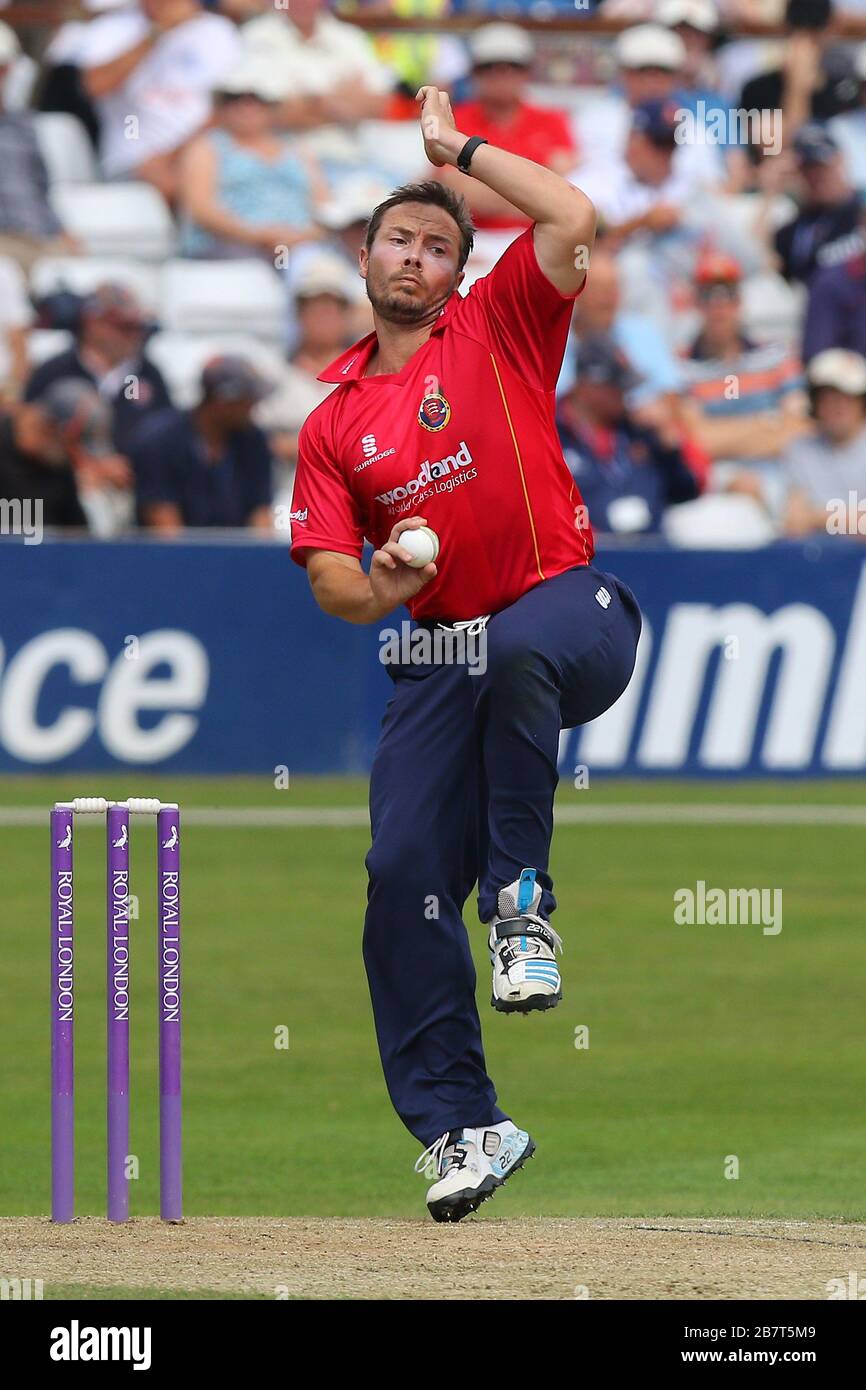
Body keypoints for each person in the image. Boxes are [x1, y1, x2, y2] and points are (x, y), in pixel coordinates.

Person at [289, 88, 642, 1223]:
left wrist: (461, 153)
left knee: (510, 651)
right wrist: (382, 583)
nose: (416, 255)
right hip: (440, 655)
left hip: (569, 610)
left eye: (439, 245)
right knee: (398, 881)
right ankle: (463, 1126)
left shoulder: (498, 325)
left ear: (456, 272)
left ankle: (523, 906)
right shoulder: (332, 423)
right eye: (400, 236)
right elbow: (332, 585)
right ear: (365, 253)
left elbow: (573, 212)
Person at [680, 251, 806, 511]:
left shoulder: (778, 355)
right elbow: (697, 441)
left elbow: (798, 430)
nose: (718, 305)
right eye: (708, 295)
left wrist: (722, 434)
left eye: (728, 294)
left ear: (740, 301)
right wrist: (768, 423)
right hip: (719, 478)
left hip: (783, 472)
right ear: (697, 304)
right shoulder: (681, 366)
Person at [80, 0, 242, 200]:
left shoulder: (217, 30)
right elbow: (94, 87)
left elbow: (232, 106)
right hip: (133, 163)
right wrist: (157, 32)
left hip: (204, 157)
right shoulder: (111, 28)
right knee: (176, 187)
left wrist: (176, 157)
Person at [179, 58, 328, 260]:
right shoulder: (206, 147)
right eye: (235, 98)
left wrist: (301, 237)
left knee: (322, 269)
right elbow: (201, 209)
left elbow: (325, 207)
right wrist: (257, 236)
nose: (246, 107)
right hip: (229, 247)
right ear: (222, 105)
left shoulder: (297, 148)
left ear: (271, 104)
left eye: (257, 98)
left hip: (299, 247)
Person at [436, 24, 576, 232]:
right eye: (489, 67)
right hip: (473, 238)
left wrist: (485, 194)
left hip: (538, 239)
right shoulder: (454, 119)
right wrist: (533, 196)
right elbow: (455, 191)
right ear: (474, 73)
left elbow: (564, 194)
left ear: (526, 72)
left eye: (512, 66)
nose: (501, 75)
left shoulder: (552, 120)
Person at [556, 334, 700, 534]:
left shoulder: (639, 430)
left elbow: (686, 491)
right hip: (582, 554)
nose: (625, 396)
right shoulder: (551, 432)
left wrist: (670, 449)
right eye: (618, 387)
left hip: (652, 553)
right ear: (590, 387)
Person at [131, 355, 274, 531]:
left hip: (238, 554)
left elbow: (261, 519)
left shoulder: (254, 441)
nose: (253, 406)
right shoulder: (159, 440)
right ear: (223, 401)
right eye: (248, 399)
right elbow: (165, 530)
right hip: (172, 556)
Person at [255, 254, 355, 506]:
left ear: (345, 314)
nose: (322, 316)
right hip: (288, 494)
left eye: (330, 307)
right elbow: (254, 440)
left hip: (356, 494)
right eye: (313, 307)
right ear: (299, 314)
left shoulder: (368, 374)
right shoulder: (271, 374)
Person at [24, 283, 170, 453]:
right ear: (92, 323)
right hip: (66, 473)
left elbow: (165, 435)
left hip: (134, 474)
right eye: (123, 327)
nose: (134, 335)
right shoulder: (54, 372)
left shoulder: (148, 375)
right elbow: (29, 434)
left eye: (137, 327)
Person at [0, 21, 78, 272]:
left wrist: (62, 231)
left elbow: (41, 189)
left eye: (2, 68)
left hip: (40, 242)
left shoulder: (24, 126)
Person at [0, 378, 129, 529]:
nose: (79, 459)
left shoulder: (59, 466)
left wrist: (95, 498)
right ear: (48, 428)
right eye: (74, 446)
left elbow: (79, 538)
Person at [783, 349, 866, 535]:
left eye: (847, 396)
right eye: (827, 397)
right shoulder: (800, 449)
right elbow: (794, 524)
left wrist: (818, 517)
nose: (837, 405)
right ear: (815, 403)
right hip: (818, 558)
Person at [774, 124, 862, 286]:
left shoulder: (861, 209)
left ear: (840, 160)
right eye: (807, 169)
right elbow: (762, 266)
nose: (816, 176)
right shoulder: (793, 231)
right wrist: (770, 192)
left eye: (822, 166)